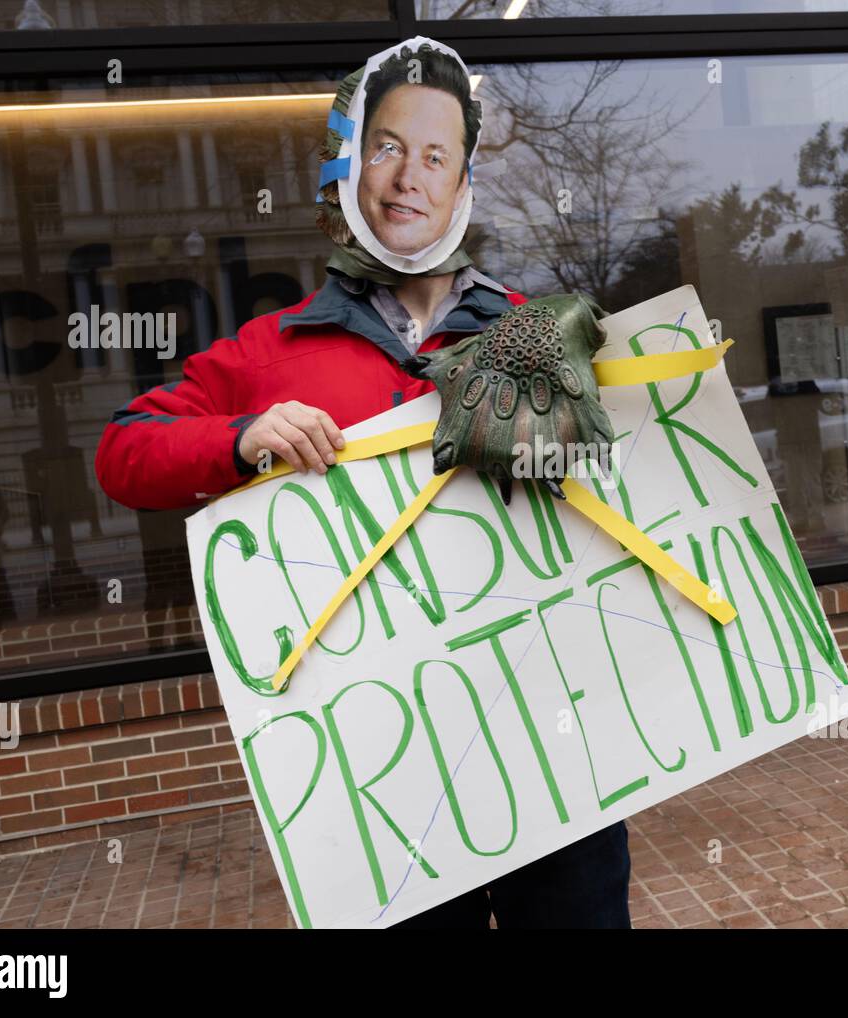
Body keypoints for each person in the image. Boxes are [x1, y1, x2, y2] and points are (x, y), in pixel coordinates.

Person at [94, 36, 631, 930]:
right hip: (388, 767)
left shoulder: (543, 331)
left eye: (435, 155)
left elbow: (636, 487)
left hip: (554, 737)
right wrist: (240, 437)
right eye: (386, 146)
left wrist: (587, 422)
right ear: (347, 165)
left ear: (463, 184)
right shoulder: (272, 350)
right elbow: (123, 452)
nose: (407, 178)